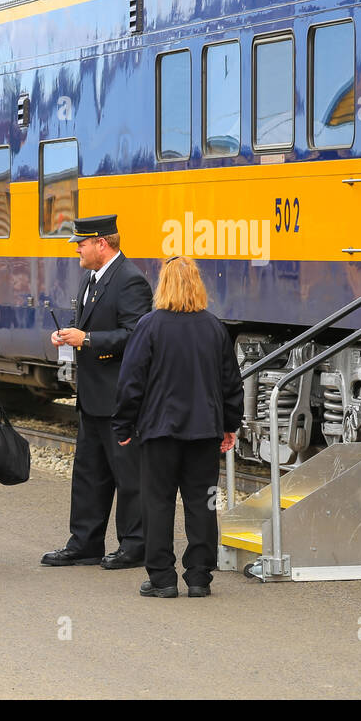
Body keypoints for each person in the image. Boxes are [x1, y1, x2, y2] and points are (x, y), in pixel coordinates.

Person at [113, 256, 241, 598]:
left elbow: (131, 382)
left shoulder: (149, 326)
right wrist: (230, 425)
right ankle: (199, 577)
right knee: (203, 503)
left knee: (157, 501)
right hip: (204, 432)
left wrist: (123, 425)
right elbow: (231, 382)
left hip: (160, 432)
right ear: (198, 285)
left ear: (163, 285)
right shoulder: (214, 327)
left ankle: (162, 578)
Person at [42, 214, 153, 569]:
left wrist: (88, 339)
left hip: (120, 397)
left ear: (101, 244)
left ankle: (134, 546)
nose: (77, 248)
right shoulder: (90, 278)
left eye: (82, 243)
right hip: (92, 396)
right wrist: (69, 335)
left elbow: (136, 335)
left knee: (128, 476)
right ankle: (85, 543)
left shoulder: (130, 281)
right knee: (89, 474)